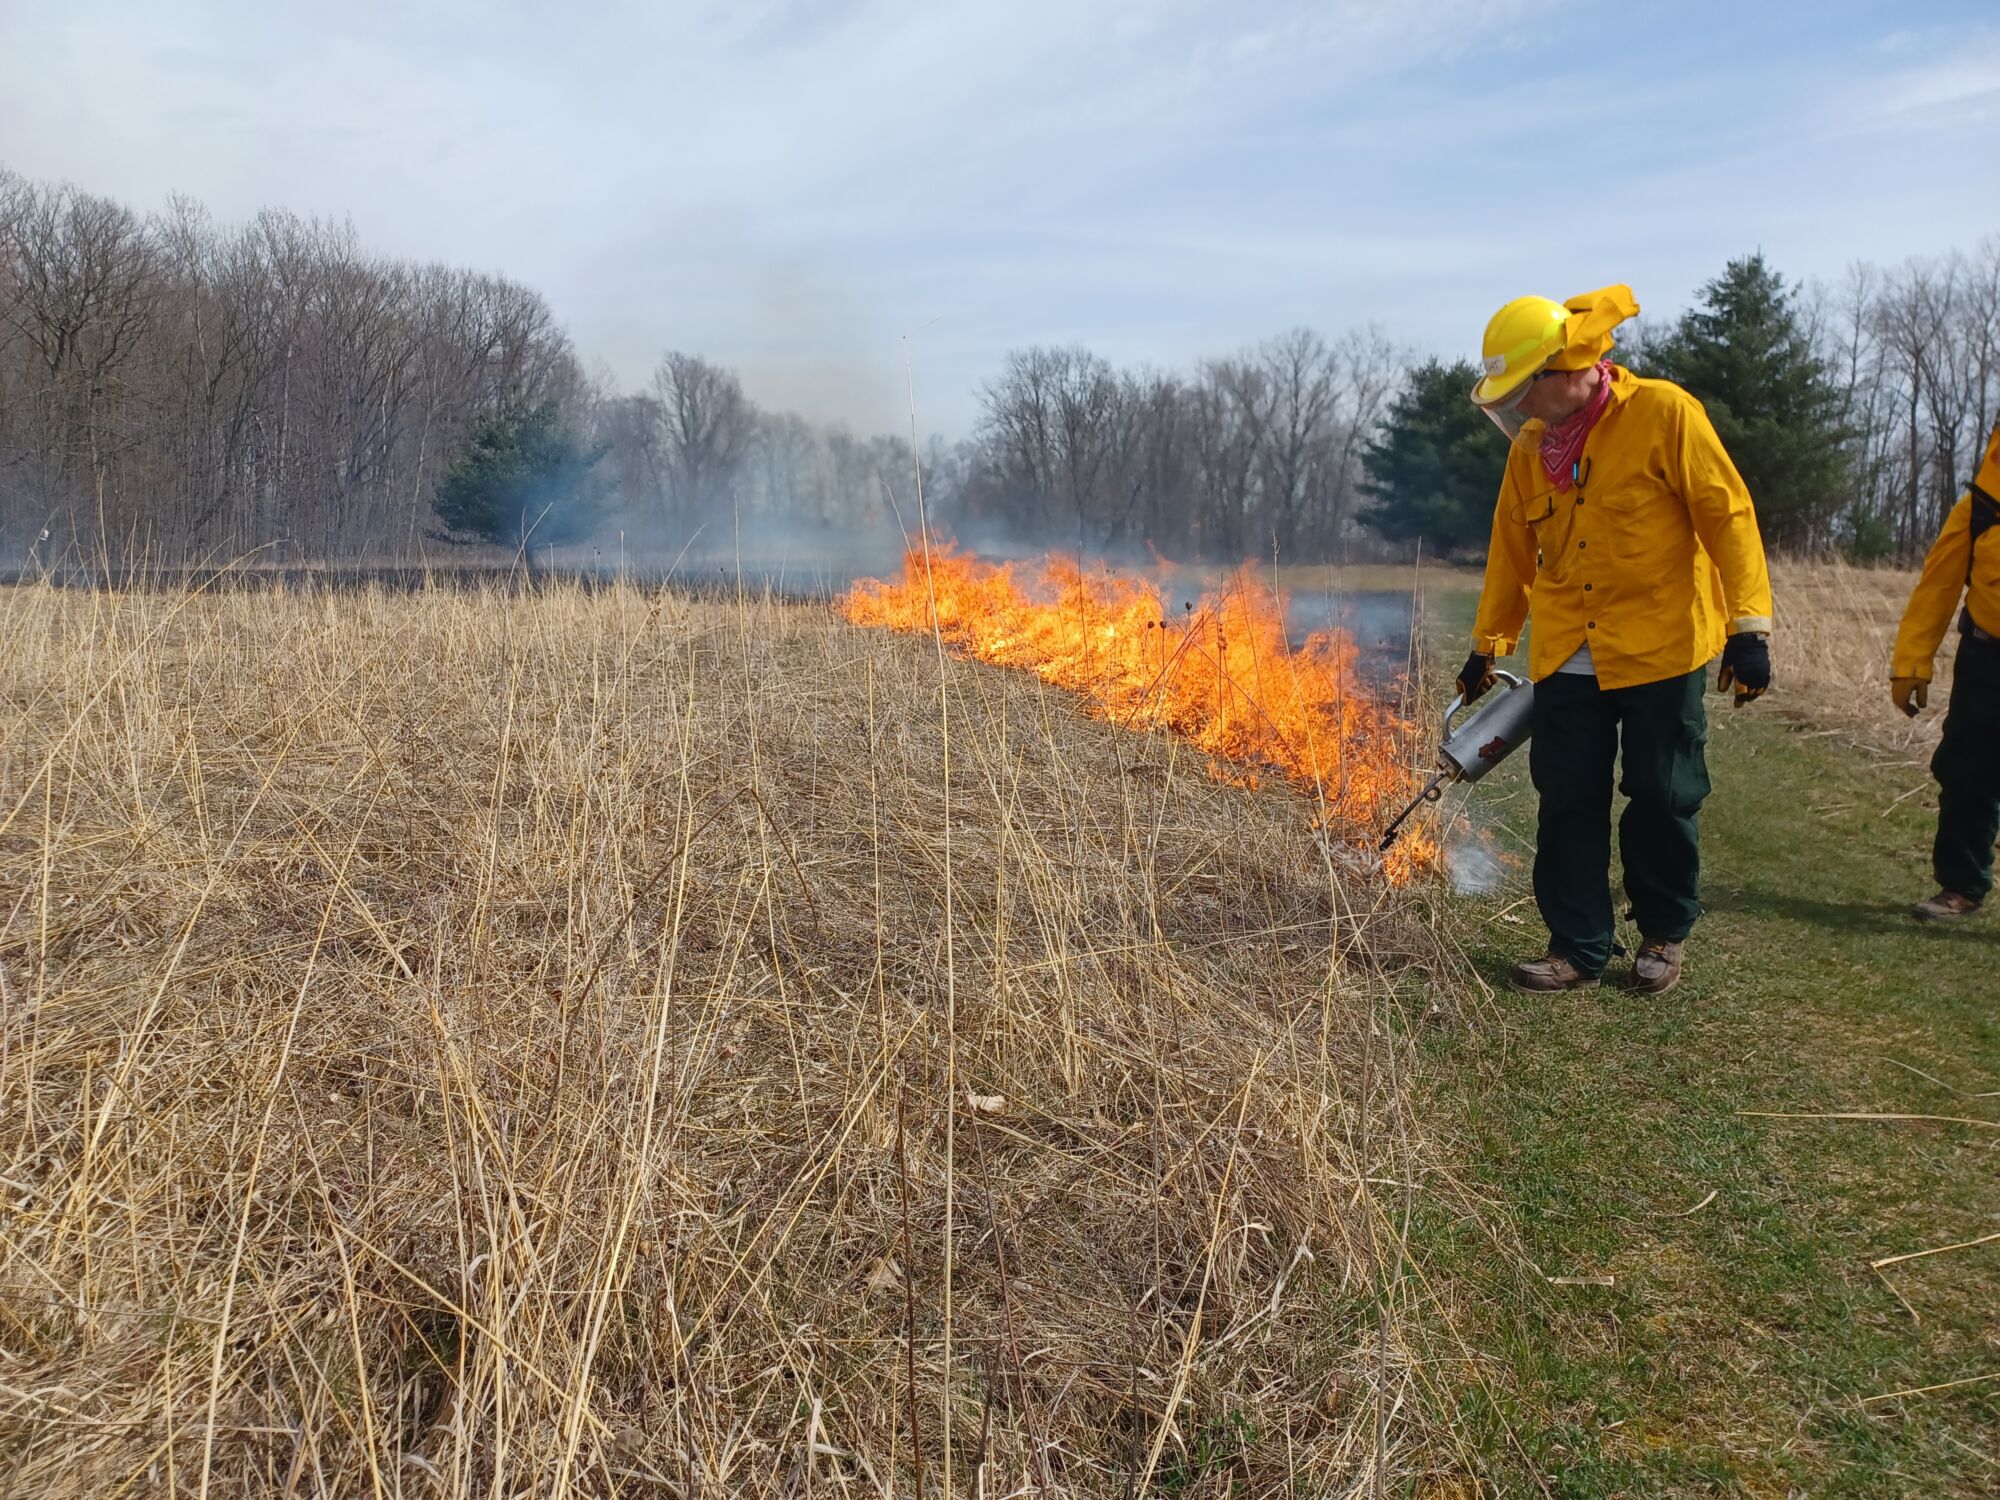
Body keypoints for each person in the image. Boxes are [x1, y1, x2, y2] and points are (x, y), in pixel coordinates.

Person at [1458, 286, 1774, 995]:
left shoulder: (1665, 414)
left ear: (1563, 372)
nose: (1514, 409)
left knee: (1663, 793)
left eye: (1520, 392)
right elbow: (1510, 551)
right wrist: (1489, 643)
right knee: (1567, 798)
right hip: (1568, 652)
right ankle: (1577, 947)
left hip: (1662, 645)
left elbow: (1728, 516)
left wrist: (1748, 625)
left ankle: (1662, 932)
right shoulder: (1532, 452)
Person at [1889, 415, 2000, 921]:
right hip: (1985, 659)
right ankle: (1961, 886)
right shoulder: (1979, 508)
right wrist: (1911, 664)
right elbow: (1935, 590)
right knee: (1966, 771)